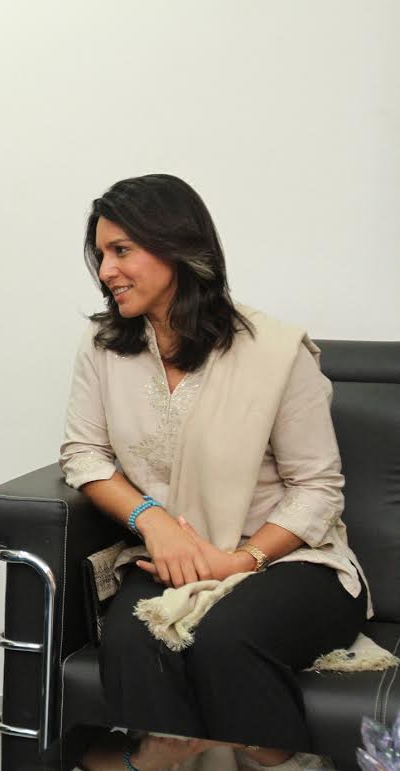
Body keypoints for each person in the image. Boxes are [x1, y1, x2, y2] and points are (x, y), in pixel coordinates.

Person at [60, 176, 369, 770]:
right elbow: (85, 455)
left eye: (121, 250)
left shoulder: (276, 351)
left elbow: (318, 489)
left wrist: (240, 560)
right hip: (171, 558)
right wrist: (154, 523)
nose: (105, 271)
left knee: (227, 640)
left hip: (290, 562)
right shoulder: (103, 346)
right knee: (132, 639)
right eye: (100, 254)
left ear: (176, 247)